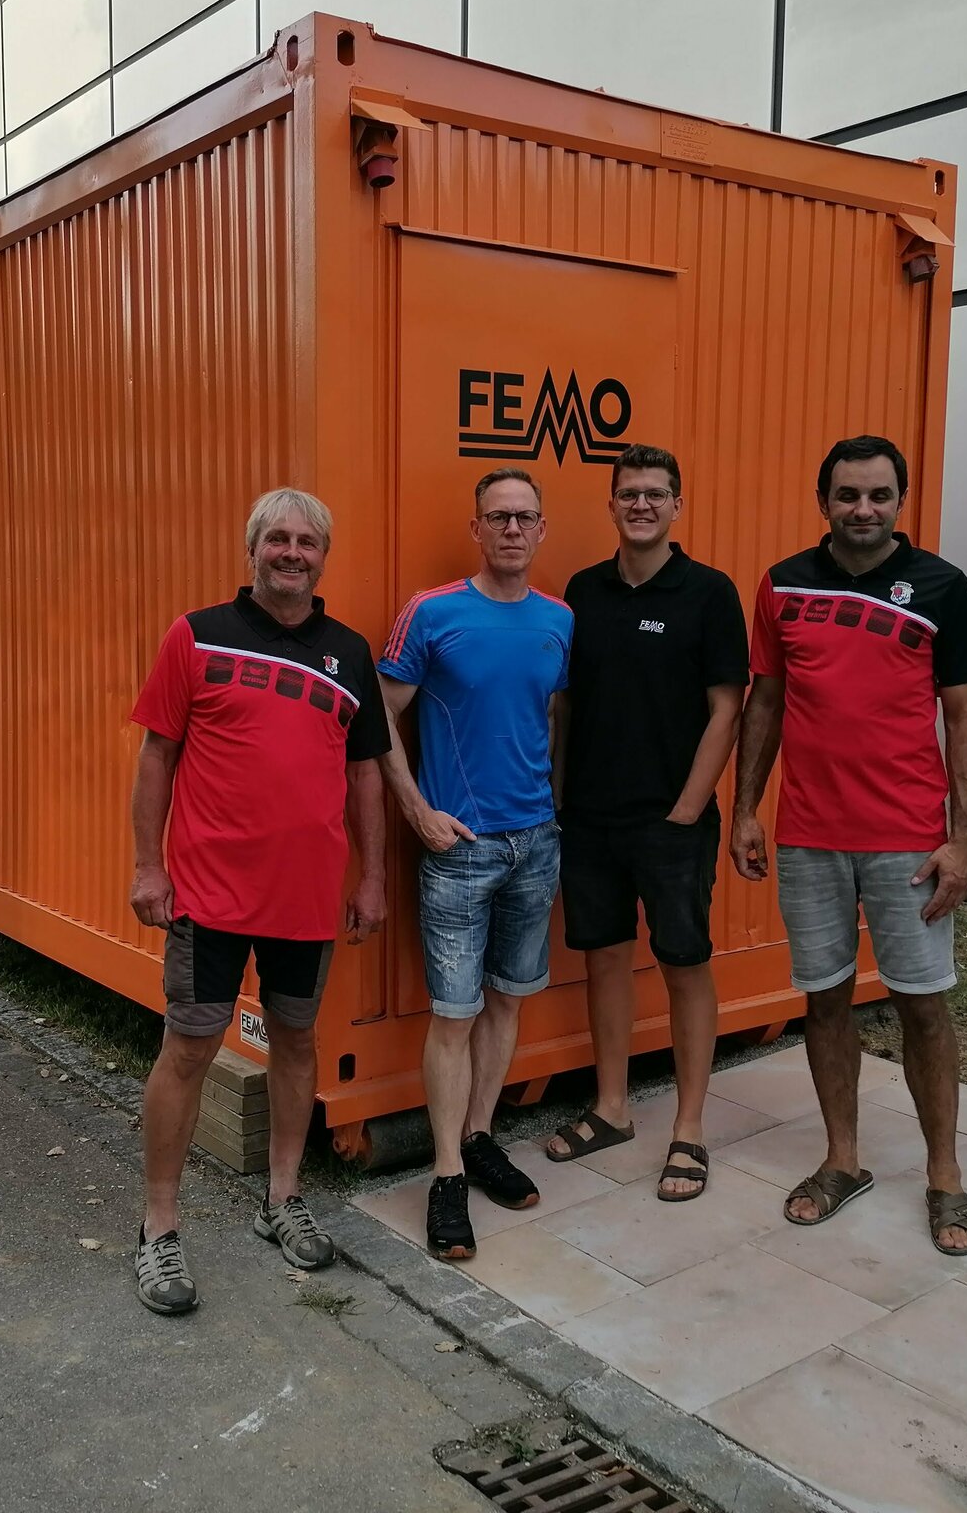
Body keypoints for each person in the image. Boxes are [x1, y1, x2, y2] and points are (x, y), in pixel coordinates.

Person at [127, 488, 390, 1314]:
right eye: (277, 538)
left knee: (298, 1044)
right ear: (252, 549)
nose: (292, 552)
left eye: (307, 540)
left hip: (307, 901)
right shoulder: (197, 634)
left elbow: (366, 775)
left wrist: (374, 876)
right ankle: (158, 1231)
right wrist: (147, 867)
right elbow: (157, 756)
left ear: (323, 555)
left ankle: (282, 1198)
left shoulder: (348, 654)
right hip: (207, 894)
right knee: (191, 1047)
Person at [729, 435, 967, 1255]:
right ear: (825, 501)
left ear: (900, 500)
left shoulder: (943, 587)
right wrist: (744, 809)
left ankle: (945, 1178)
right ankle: (843, 1160)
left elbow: (965, 720)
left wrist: (964, 841)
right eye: (848, 495)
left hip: (909, 843)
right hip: (810, 837)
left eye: (879, 494)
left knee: (922, 1005)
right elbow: (764, 705)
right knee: (827, 1001)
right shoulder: (781, 585)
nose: (864, 510)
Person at [377, 467, 572, 1260]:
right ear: (477, 528)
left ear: (542, 528)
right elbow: (380, 718)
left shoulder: (560, 620)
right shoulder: (432, 612)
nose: (513, 530)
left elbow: (551, 720)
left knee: (508, 1001)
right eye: (499, 517)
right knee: (453, 1015)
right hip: (460, 852)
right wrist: (417, 811)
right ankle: (448, 1172)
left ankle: (483, 1133)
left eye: (525, 517)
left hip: (536, 844)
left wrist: (549, 809)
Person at [544, 445, 747, 1201]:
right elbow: (566, 705)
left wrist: (689, 809)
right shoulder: (582, 592)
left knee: (684, 965)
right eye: (628, 494)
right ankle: (611, 1109)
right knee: (603, 958)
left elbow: (728, 708)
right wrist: (560, 798)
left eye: (655, 494)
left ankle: (689, 1128)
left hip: (672, 820)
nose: (641, 505)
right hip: (590, 818)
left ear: (676, 506)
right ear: (611, 504)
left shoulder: (708, 593)